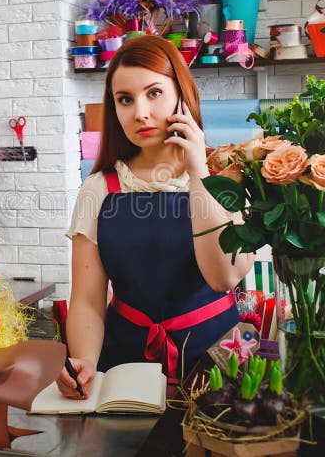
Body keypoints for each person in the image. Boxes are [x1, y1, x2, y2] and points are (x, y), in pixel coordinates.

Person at [59, 35, 254, 399]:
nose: (140, 113)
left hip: (219, 358)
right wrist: (83, 360)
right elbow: (87, 298)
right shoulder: (99, 188)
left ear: (182, 94)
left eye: (154, 93)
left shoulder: (226, 176)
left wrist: (198, 172)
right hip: (124, 365)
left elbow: (223, 276)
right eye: (125, 100)